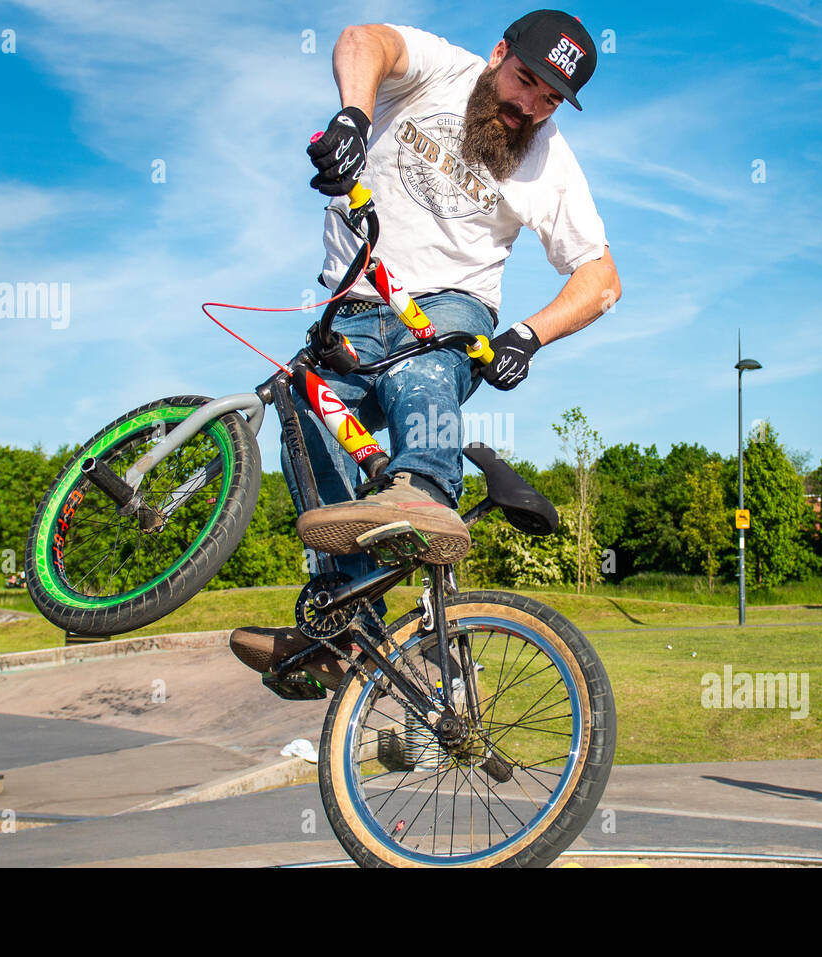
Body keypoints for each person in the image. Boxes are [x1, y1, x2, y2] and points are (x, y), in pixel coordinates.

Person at [229, 11, 621, 688]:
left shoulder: (551, 161)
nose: (526, 107)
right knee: (301, 405)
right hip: (352, 306)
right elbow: (364, 40)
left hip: (446, 307)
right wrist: (353, 116)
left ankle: (425, 488)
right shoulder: (440, 69)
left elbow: (601, 278)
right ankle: (348, 619)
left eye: (548, 100)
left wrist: (529, 335)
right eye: (524, 81)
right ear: (498, 54)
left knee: (425, 362)